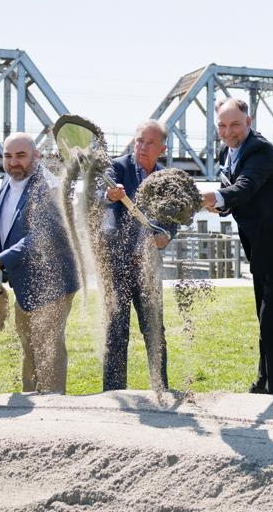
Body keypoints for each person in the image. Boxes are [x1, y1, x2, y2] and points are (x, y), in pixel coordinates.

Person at [201, 99, 273, 396]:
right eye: (222, 126)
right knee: (264, 319)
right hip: (263, 245)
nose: (228, 132)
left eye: (235, 124)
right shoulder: (228, 150)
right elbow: (240, 199)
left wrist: (202, 197)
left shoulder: (260, 151)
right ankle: (263, 382)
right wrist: (221, 208)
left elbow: (244, 189)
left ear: (248, 122)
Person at [0, 133, 79, 393]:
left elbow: (42, 235)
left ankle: (53, 406)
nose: (14, 162)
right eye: (8, 156)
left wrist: (2, 259)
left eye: (21, 156)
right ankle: (31, 402)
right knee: (29, 345)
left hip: (52, 280)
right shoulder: (8, 181)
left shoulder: (50, 186)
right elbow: (12, 226)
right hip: (25, 280)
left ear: (36, 156)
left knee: (48, 348)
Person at [101, 120, 176, 392]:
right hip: (116, 264)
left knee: (154, 330)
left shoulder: (166, 179)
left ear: (162, 149)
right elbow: (100, 194)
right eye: (139, 141)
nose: (142, 147)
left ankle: (161, 389)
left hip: (149, 265)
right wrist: (109, 196)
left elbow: (174, 216)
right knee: (117, 332)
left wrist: (167, 234)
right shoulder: (116, 168)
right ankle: (113, 393)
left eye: (149, 143)